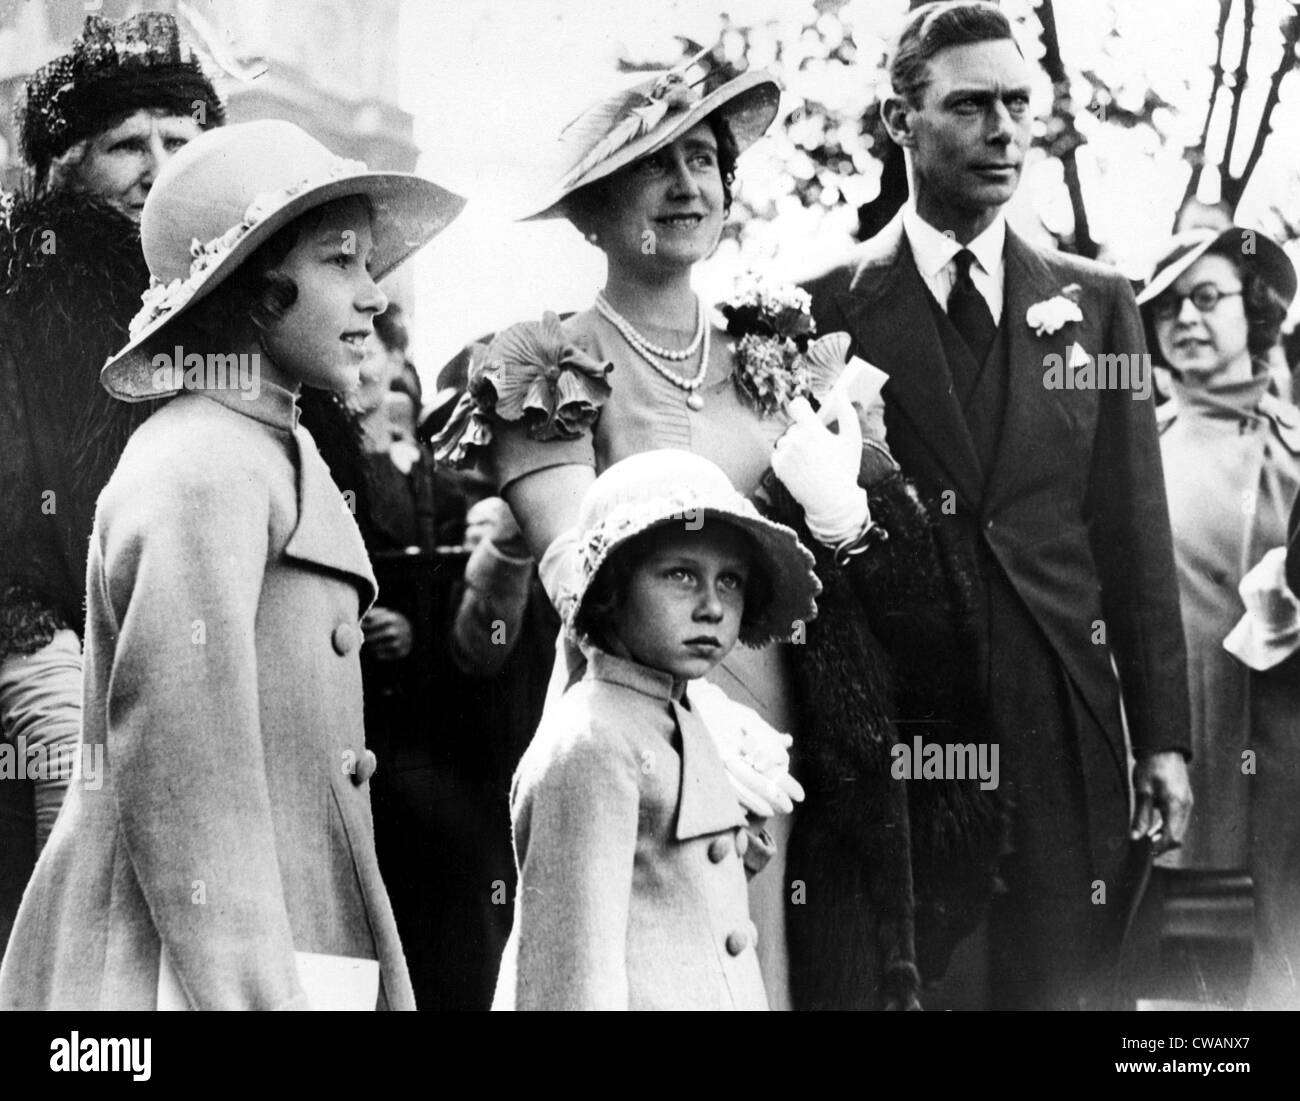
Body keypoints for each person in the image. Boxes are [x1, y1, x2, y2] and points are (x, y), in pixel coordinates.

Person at [435, 65, 1000, 1010]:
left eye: (703, 159)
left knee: (786, 970)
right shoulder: (549, 362)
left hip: (789, 725)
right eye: (652, 166)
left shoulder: (775, 348)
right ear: (589, 212)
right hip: (635, 728)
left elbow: (878, 545)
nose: (687, 186)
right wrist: (694, 715)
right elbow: (579, 564)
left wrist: (846, 511)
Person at [0, 119, 465, 1009]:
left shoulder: (269, 442)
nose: (374, 296)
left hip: (286, 942)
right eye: (341, 262)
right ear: (252, 289)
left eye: (369, 263)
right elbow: (187, 790)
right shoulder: (200, 464)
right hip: (172, 971)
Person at [804, 0, 1192, 1010]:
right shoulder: (821, 310)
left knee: (1070, 992)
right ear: (901, 121)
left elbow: (1133, 541)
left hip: (1063, 724)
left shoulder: (1097, 304)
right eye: (971, 107)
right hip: (909, 729)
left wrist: (1164, 739)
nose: (1004, 131)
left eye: (1018, 105)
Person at [0, 10, 223, 952]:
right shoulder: (20, 281)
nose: (159, 165)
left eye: (180, 141)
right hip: (46, 621)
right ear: (61, 167)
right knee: (77, 826)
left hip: (194, 621)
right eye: (127, 145)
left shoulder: (232, 294)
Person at [492, 449, 820, 1010]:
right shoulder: (592, 743)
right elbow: (573, 984)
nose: (713, 607)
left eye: (732, 582)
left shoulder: (681, 718)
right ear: (611, 588)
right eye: (681, 575)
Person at [1140, 227, 1300, 1009]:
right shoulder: (1136, 450)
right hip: (1183, 764)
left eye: (1206, 297)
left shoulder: (1296, 446)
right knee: (1182, 1001)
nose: (1186, 319)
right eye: (1167, 306)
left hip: (1285, 769)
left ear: (1256, 308)